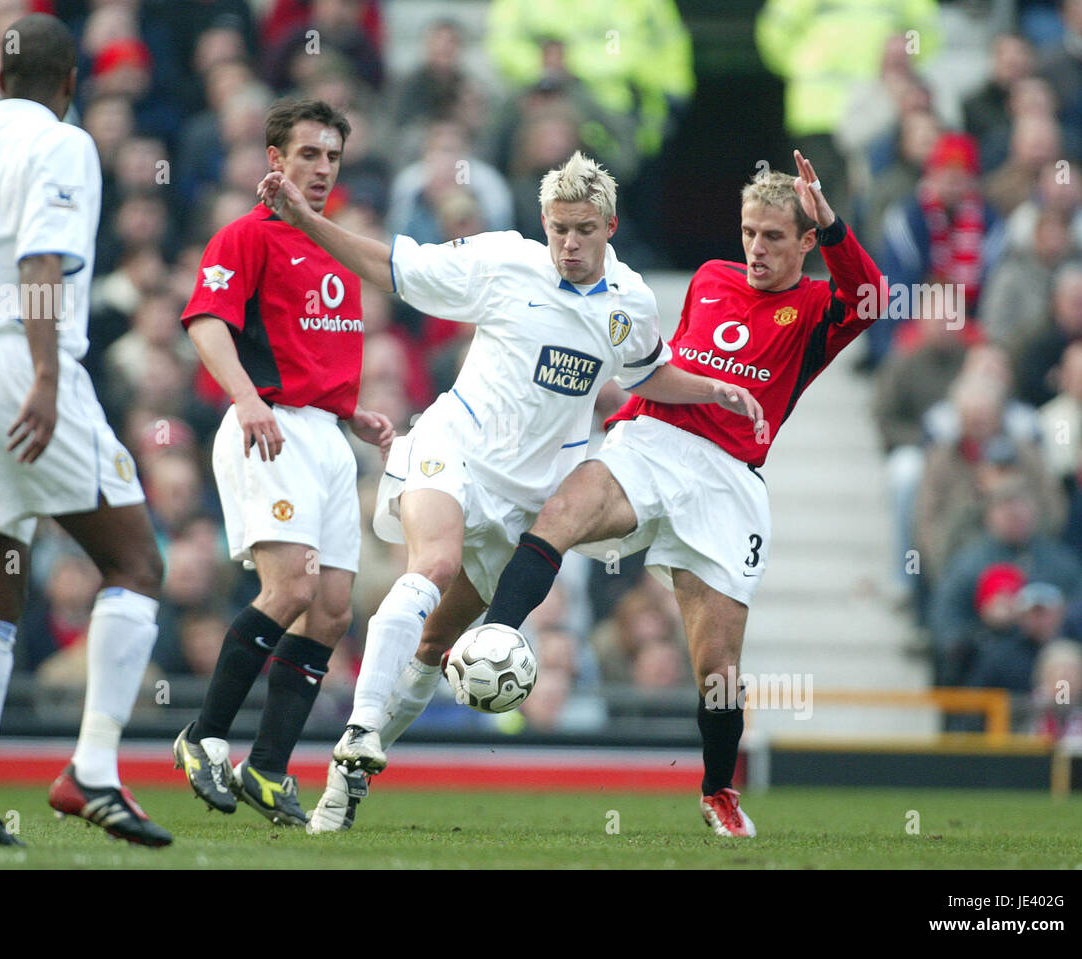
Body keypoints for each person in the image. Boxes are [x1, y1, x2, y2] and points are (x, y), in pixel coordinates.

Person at [257, 149, 764, 832]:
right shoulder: (502, 261)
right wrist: (309, 217)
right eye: (557, 227)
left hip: (521, 501)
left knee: (436, 645)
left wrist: (715, 390)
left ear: (610, 226)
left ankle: (348, 782)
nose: (568, 243)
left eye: (583, 228)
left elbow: (647, 376)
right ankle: (358, 729)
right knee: (431, 566)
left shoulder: (632, 305)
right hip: (452, 447)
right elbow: (392, 265)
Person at [478, 152, 885, 836]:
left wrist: (837, 226)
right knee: (563, 512)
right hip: (653, 440)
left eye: (775, 236)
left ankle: (718, 790)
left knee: (718, 668)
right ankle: (495, 631)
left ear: (807, 241)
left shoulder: (819, 306)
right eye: (750, 231)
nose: (756, 248)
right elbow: (666, 367)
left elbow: (872, 294)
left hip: (728, 481)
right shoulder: (711, 277)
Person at [0, 14, 171, 847]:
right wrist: (46, 374)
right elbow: (41, 263)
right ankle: (92, 768)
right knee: (135, 561)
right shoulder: (65, 143)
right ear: (70, 84)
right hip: (16, 363)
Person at [171, 98, 394, 828]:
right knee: (291, 585)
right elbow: (207, 323)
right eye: (307, 155)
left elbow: (316, 350)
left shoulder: (336, 246)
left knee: (331, 609)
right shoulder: (245, 237)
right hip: (266, 425)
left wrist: (348, 411)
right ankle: (201, 734)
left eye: (331, 156)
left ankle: (266, 768)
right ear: (276, 160)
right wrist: (247, 400)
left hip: (324, 434)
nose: (322, 168)